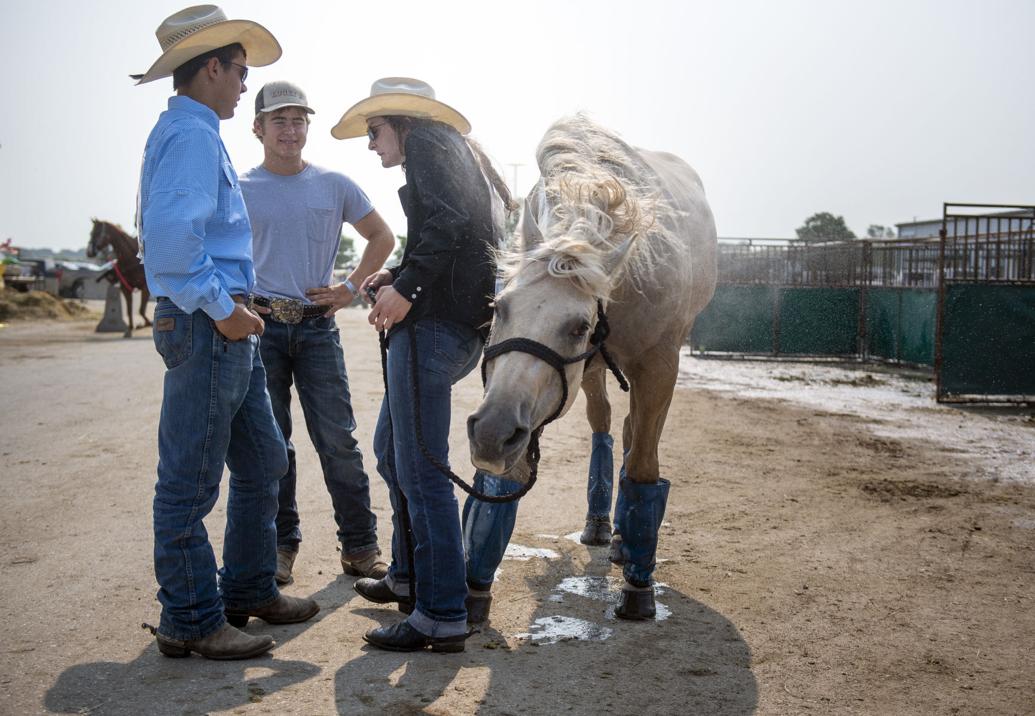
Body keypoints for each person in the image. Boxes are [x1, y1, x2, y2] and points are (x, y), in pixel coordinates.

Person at [134, 5, 318, 661]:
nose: (245, 84)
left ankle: (246, 588)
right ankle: (189, 618)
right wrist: (223, 308)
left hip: (221, 320)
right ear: (211, 67)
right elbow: (172, 242)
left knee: (265, 459)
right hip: (208, 320)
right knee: (188, 479)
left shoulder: (194, 131)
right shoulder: (189, 135)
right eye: (239, 71)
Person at [331, 77, 514, 652]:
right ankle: (410, 575)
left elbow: (450, 220)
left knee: (421, 470)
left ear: (401, 122)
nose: (370, 145)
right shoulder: (447, 152)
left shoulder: (431, 144)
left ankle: (439, 612)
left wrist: (407, 285)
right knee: (393, 451)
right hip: (450, 325)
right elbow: (449, 229)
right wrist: (399, 273)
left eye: (374, 131)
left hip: (433, 329)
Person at [239, 81, 395, 586]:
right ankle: (281, 548)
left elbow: (382, 236)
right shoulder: (240, 188)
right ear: (258, 127)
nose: (290, 129)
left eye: (298, 120)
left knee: (338, 441)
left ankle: (360, 546)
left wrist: (350, 286)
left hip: (316, 329)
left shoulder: (334, 184)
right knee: (272, 444)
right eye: (279, 120)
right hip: (260, 329)